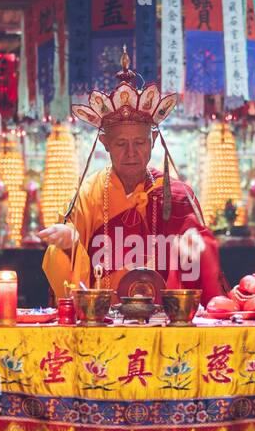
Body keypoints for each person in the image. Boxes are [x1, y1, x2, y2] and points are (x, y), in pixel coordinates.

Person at [38, 53, 223, 300]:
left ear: (153, 140)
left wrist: (196, 247)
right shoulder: (89, 192)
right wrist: (69, 244)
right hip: (103, 319)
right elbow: (67, 277)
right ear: (105, 144)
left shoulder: (176, 195)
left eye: (139, 142)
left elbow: (203, 253)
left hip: (163, 319)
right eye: (121, 143)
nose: (131, 153)